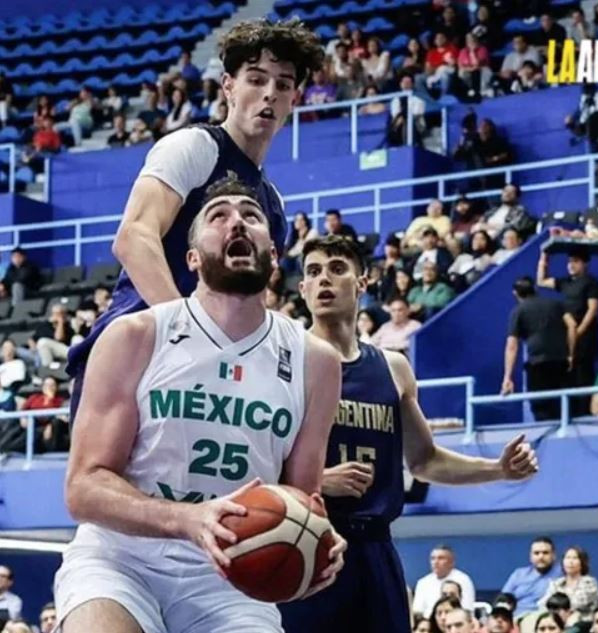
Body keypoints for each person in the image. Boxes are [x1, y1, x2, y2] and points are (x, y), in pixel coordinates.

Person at [53, 178, 346, 633]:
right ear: (192, 258)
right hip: (120, 559)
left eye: (251, 215)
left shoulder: (316, 362)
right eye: (218, 216)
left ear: (273, 255)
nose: (237, 223)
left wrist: (313, 543)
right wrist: (189, 519)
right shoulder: (135, 336)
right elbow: (84, 488)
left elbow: (301, 499)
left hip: (231, 574)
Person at [65, 19, 325, 421]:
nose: (269, 93)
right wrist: (190, 336)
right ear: (228, 86)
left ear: (295, 98)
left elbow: (251, 302)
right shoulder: (196, 146)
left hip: (209, 370)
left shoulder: (272, 206)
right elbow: (133, 237)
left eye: (283, 84)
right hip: (135, 352)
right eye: (256, 79)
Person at [280, 235, 539, 633]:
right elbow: (254, 464)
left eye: (336, 269)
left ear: (362, 283)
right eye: (313, 272)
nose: (323, 279)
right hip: (308, 540)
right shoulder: (285, 362)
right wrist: (316, 480)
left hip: (375, 548)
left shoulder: (393, 367)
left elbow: (424, 461)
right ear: (302, 289)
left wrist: (499, 469)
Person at [502, 278, 578, 421]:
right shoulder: (556, 304)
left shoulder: (518, 311)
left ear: (515, 294)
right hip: (561, 362)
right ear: (535, 289)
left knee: (542, 408)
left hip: (537, 365)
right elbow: (572, 325)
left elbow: (512, 345)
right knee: (564, 406)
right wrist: (570, 354)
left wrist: (508, 377)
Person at [538, 250, 598, 393]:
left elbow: (592, 309)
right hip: (568, 334)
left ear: (585, 264)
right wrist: (544, 257)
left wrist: (579, 331)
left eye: (575, 261)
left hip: (585, 337)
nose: (571, 265)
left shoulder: (592, 283)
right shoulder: (565, 282)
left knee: (583, 374)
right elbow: (541, 281)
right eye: (569, 262)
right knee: (568, 373)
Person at [502, 537, 562, 615]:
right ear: (530, 556)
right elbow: (503, 599)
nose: (541, 557)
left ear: (554, 555)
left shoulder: (563, 573)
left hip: (545, 616)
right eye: (536, 553)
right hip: (515, 616)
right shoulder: (519, 574)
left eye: (545, 553)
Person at [411, 545, 477, 617]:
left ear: (451, 562)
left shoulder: (463, 580)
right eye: (433, 558)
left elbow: (467, 610)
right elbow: (417, 611)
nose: (435, 562)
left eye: (441, 558)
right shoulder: (422, 583)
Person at [541, 547, 598, 622]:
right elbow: (543, 603)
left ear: (582, 562)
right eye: (568, 558)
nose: (570, 562)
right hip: (556, 621)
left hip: (582, 621)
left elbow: (577, 604)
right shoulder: (556, 583)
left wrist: (556, 607)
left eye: (575, 558)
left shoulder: (589, 583)